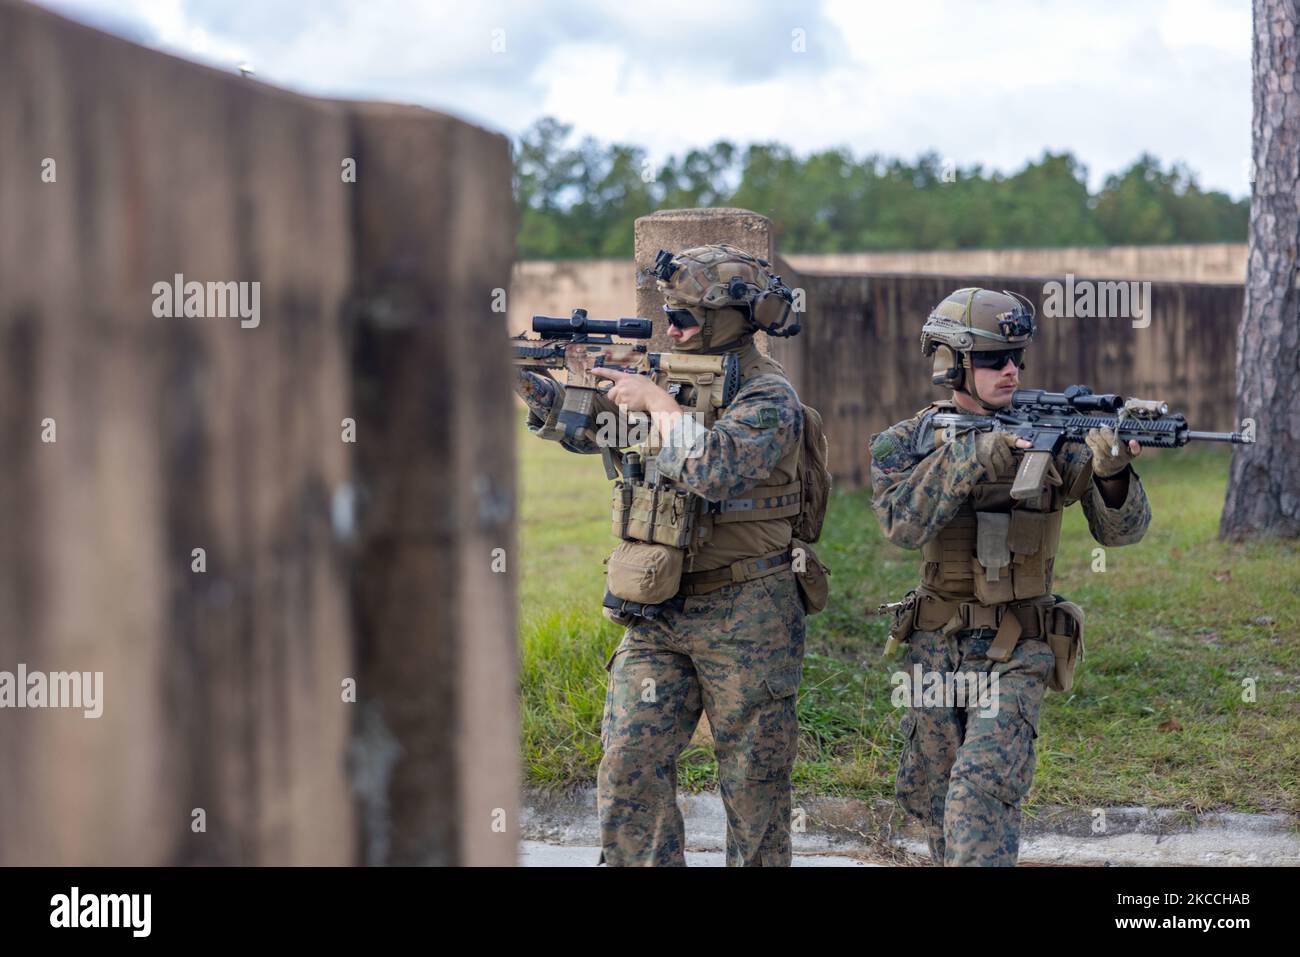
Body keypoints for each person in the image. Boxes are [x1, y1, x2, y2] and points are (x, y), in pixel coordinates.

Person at [514, 243, 821, 866]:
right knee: (629, 764)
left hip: (749, 611)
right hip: (658, 607)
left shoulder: (769, 398)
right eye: (668, 316)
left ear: (731, 320)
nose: (671, 327)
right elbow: (595, 431)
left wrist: (656, 402)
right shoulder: (669, 378)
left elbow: (716, 470)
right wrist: (536, 382)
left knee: (754, 785)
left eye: (684, 318)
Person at [869, 287, 1151, 866]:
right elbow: (901, 523)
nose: (1012, 370)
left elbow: (1121, 533)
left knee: (981, 797)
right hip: (935, 644)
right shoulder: (907, 441)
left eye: (1017, 357)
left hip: (1020, 646)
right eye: (996, 359)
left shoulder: (1053, 435)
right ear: (952, 364)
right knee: (937, 800)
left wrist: (1112, 472)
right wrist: (977, 456)